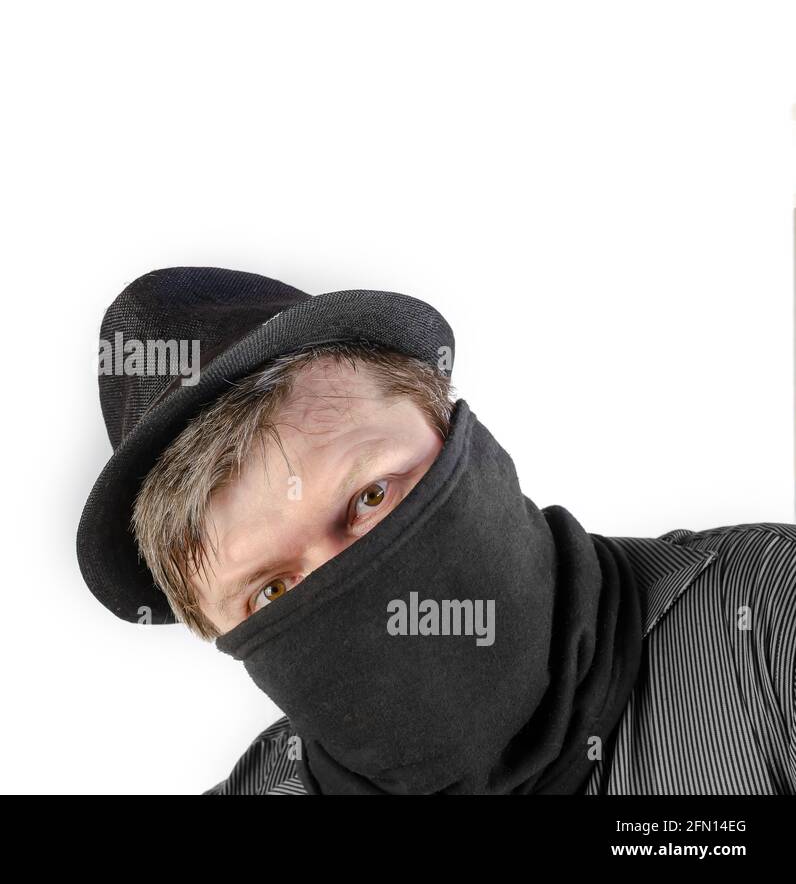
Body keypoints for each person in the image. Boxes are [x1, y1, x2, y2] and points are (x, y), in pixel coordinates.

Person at [76, 266, 796, 794]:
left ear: (455, 434)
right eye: (271, 591)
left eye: (369, 497)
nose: (354, 590)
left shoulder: (764, 622)